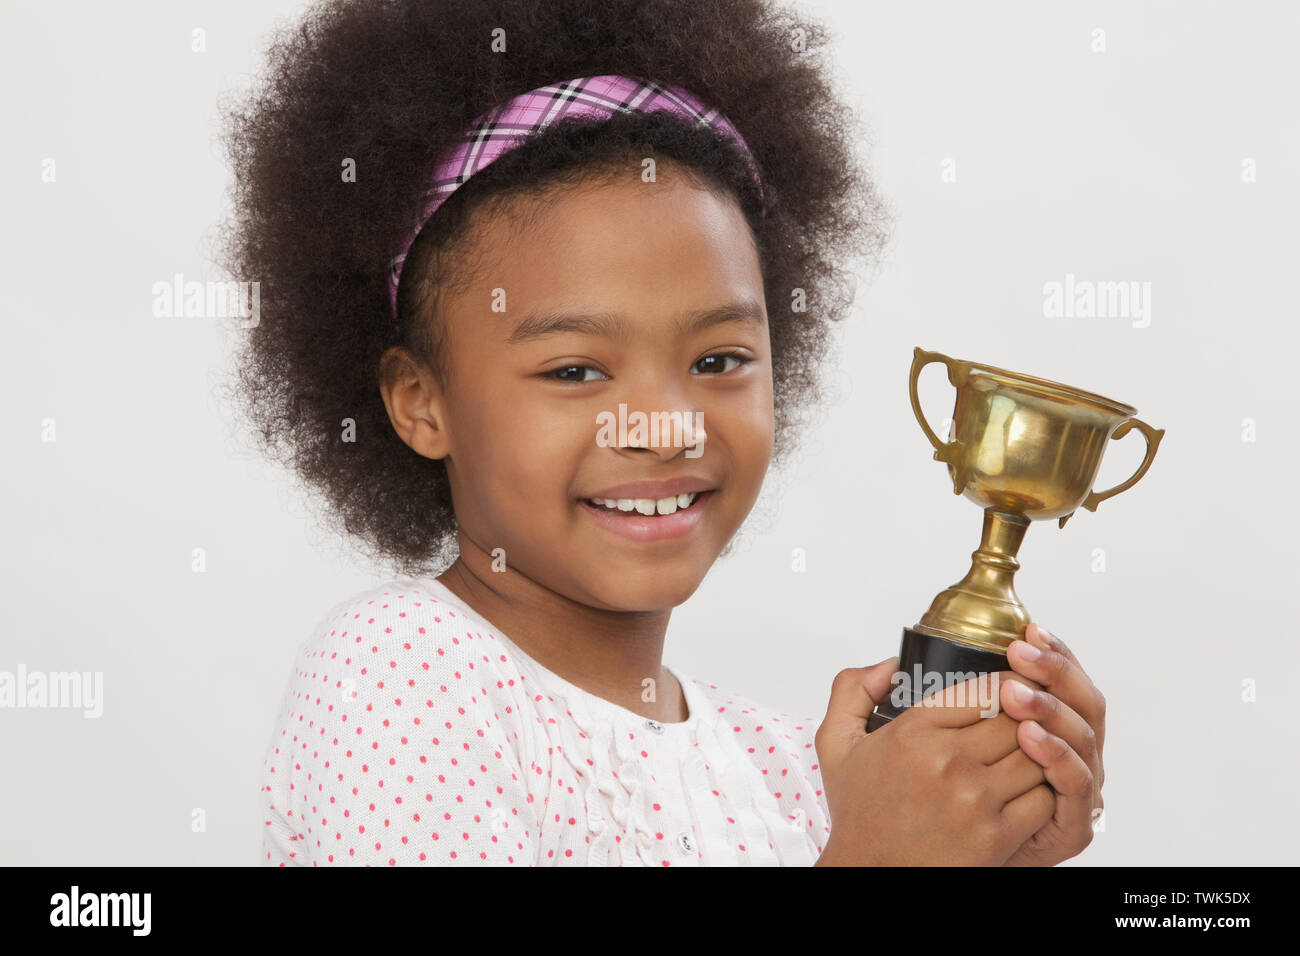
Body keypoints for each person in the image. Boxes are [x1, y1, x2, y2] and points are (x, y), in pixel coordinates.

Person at [222, 0, 1105, 866]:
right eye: (575, 370)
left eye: (718, 361)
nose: (665, 427)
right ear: (422, 403)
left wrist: (989, 841)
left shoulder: (789, 772)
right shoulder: (401, 672)